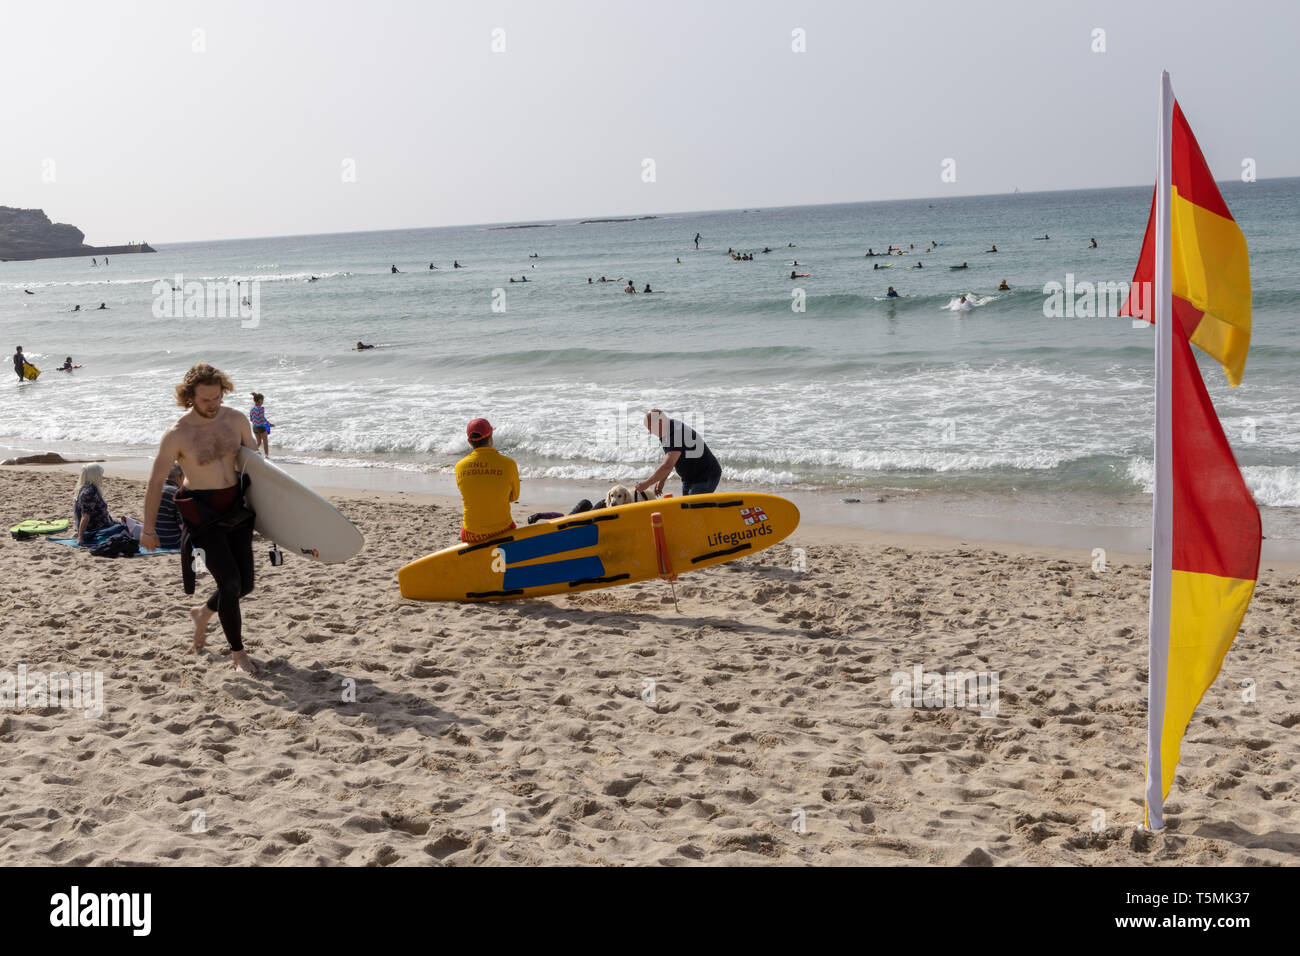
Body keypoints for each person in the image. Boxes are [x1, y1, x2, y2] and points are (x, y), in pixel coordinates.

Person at [140, 363, 260, 674]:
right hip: (201, 512)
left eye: (217, 397)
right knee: (230, 582)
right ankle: (238, 655)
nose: (213, 404)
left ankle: (203, 612)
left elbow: (257, 467)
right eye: (205, 399)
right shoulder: (177, 434)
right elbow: (155, 483)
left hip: (235, 507)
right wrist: (148, 529)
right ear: (189, 397)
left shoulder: (236, 420)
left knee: (245, 585)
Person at [454, 418, 519, 544]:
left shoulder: (459, 466)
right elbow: (514, 497)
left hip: (473, 533)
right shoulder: (509, 464)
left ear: (469, 441)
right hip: (503, 529)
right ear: (490, 437)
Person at [635, 409, 721, 497]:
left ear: (659, 422)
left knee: (693, 506)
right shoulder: (665, 431)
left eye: (651, 429)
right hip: (689, 478)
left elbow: (667, 465)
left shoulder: (676, 433)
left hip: (706, 475)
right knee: (685, 507)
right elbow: (670, 460)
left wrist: (646, 483)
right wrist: (661, 481)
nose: (651, 433)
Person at [73, 464, 122, 546]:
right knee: (127, 527)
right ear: (95, 476)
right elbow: (85, 516)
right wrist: (80, 538)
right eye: (100, 474)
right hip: (95, 531)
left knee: (126, 523)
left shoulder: (87, 488)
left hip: (102, 526)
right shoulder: (88, 492)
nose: (102, 477)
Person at [154, 463, 184, 549]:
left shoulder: (156, 490)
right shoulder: (177, 493)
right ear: (180, 476)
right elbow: (182, 526)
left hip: (155, 540)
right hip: (173, 541)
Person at [249, 392, 273, 456]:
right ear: (260, 400)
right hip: (261, 427)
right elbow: (262, 418)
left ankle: (252, 453)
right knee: (265, 442)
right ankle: (266, 456)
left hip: (254, 427)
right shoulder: (261, 408)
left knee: (259, 442)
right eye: (263, 400)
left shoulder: (252, 409)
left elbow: (251, 419)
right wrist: (269, 424)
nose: (263, 401)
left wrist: (256, 421)